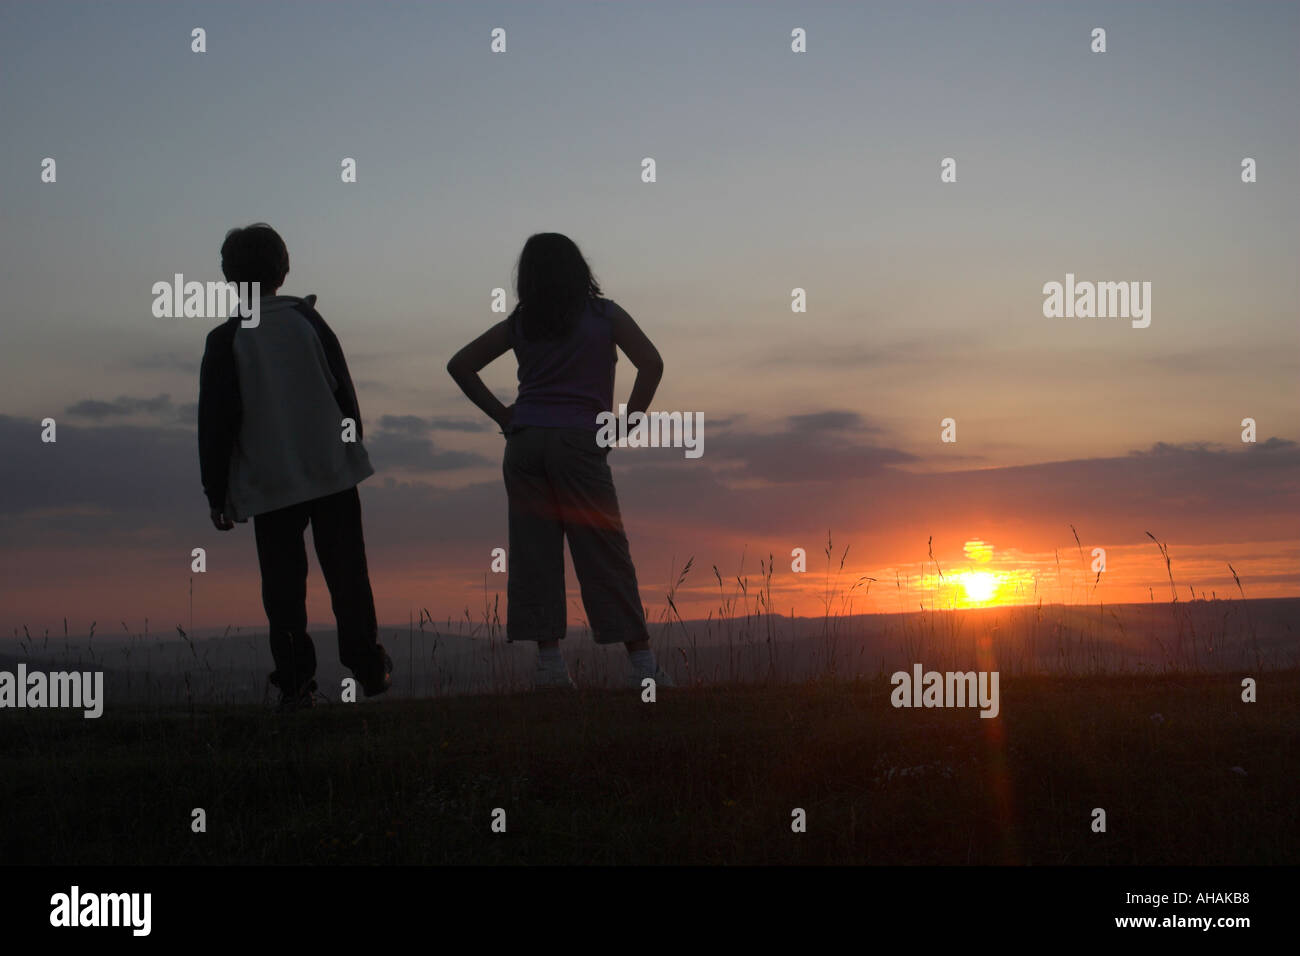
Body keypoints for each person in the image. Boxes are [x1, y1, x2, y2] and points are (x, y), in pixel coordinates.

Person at [447, 233, 671, 689]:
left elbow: (461, 364)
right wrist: (625, 425)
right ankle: (643, 666)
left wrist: (504, 416)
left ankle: (550, 666)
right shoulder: (604, 315)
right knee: (603, 550)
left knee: (534, 556)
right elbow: (651, 363)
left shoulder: (521, 323)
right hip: (578, 443)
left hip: (525, 443)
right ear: (578, 268)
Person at [198, 223, 391, 712]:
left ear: (228, 277)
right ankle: (368, 666)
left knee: (282, 588)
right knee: (348, 574)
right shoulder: (309, 321)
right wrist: (352, 445)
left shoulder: (226, 339)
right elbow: (342, 389)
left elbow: (216, 423)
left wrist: (217, 492)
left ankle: (295, 684)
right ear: (284, 270)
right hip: (331, 471)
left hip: (271, 483)